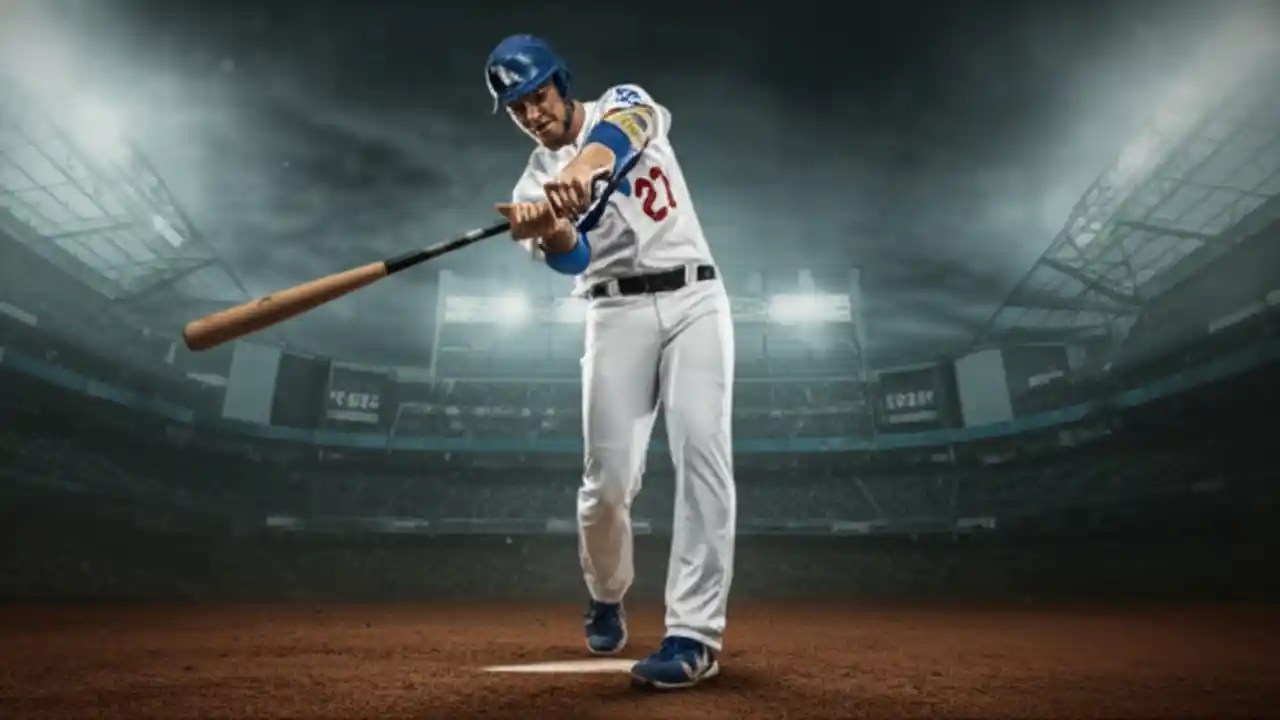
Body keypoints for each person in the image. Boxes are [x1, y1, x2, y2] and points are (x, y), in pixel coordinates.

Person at [486, 34, 737, 690]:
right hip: (613, 311)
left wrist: (584, 168)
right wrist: (552, 228)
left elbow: (625, 131)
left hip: (695, 298)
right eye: (516, 107)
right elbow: (574, 259)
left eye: (536, 95)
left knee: (703, 454)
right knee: (607, 483)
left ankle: (693, 635)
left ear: (560, 83)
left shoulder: (621, 103)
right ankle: (606, 592)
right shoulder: (529, 184)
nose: (531, 113)